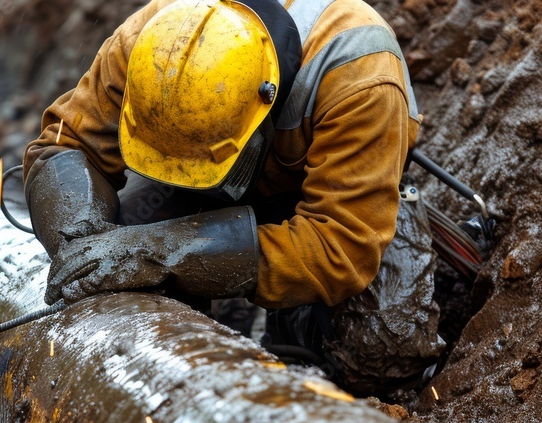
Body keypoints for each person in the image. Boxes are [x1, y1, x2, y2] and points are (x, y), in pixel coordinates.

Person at [22, 0, 446, 395]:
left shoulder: (361, 73)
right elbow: (66, 145)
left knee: (383, 342)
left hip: (326, 201)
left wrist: (159, 252)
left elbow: (342, 245)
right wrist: (81, 243)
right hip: (182, 185)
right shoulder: (154, 43)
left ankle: (288, 327)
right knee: (116, 269)